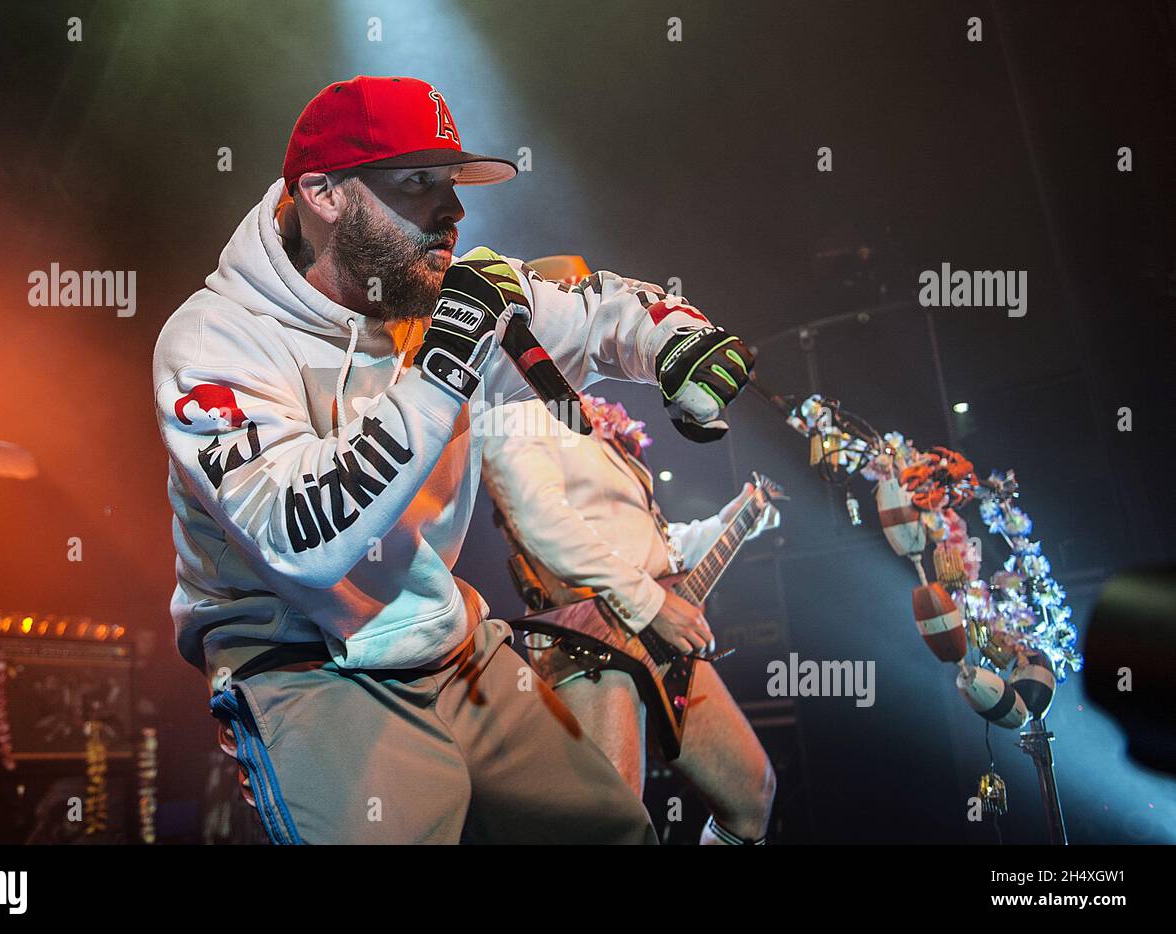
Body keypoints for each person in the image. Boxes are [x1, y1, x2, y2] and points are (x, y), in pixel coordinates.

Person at [152, 75, 754, 843]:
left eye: (452, 183)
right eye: (417, 184)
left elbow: (593, 311)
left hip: (449, 638)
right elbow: (299, 539)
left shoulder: (430, 298)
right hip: (300, 661)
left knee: (614, 832)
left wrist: (676, 340)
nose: (453, 211)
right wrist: (444, 366)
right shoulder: (213, 341)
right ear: (324, 193)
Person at [482, 349, 778, 843]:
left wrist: (726, 525)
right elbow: (542, 523)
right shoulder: (512, 404)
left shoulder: (592, 423)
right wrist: (652, 603)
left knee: (752, 795)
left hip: (651, 626)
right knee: (611, 828)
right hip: (590, 640)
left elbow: (646, 546)